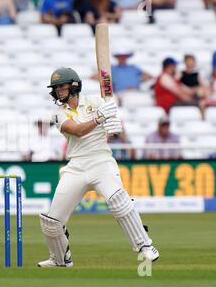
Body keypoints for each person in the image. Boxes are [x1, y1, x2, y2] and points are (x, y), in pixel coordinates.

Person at [37, 67, 159, 268]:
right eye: (56, 88)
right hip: (76, 166)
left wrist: (115, 126)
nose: (58, 90)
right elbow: (76, 131)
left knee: (118, 201)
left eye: (62, 86)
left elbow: (112, 120)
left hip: (101, 161)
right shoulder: (58, 115)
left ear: (74, 86)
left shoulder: (96, 102)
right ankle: (59, 260)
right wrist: (99, 119)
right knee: (52, 222)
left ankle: (145, 246)